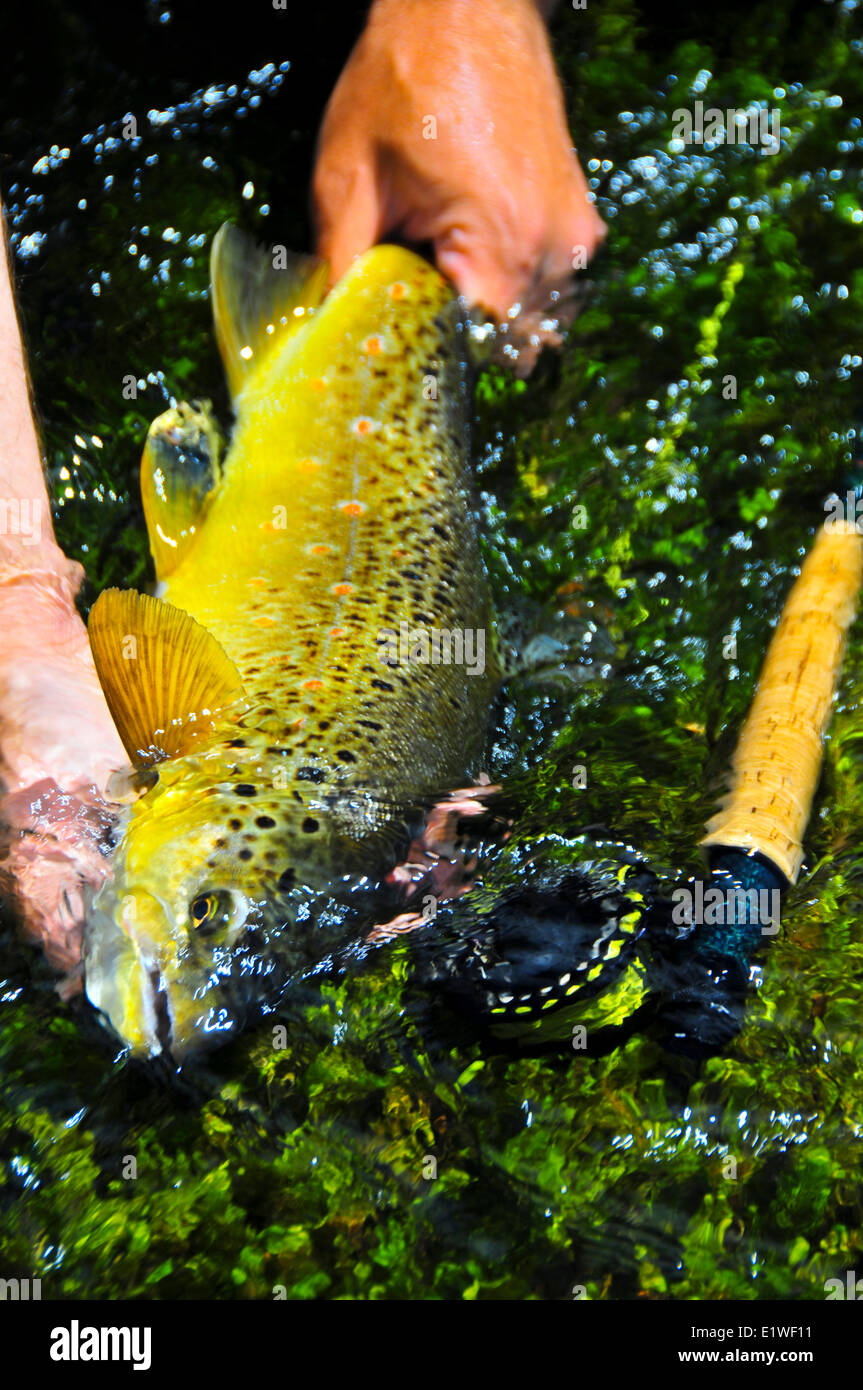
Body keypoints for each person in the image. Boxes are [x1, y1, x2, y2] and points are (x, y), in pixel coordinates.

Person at [0, 0, 604, 976]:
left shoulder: (195, 764)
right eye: (206, 917)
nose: (181, 972)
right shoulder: (192, 743)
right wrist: (18, 594)